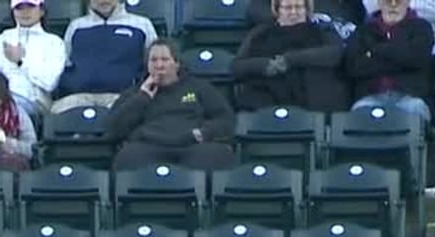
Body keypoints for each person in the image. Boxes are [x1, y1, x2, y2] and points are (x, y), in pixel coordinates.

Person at [106, 39, 236, 170]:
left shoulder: (199, 87)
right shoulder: (135, 92)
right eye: (154, 60)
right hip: (148, 145)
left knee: (218, 155)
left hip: (191, 145)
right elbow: (114, 128)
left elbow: (225, 119)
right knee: (126, 157)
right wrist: (142, 97)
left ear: (177, 63)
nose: (159, 65)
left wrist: (203, 132)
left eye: (165, 59)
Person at [231, 0, 349, 113]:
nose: (294, 12)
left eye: (299, 7)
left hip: (311, 97)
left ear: (307, 10)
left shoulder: (321, 31)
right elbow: (237, 66)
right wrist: (265, 65)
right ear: (278, 10)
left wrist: (291, 59)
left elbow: (335, 54)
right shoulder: (260, 34)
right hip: (266, 96)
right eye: (288, 7)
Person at [53, 0, 156, 113]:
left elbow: (154, 63)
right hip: (79, 97)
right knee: (56, 113)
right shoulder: (76, 26)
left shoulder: (142, 24)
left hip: (123, 96)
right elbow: (65, 62)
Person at [344, 0, 435, 124]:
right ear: (379, 2)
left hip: (409, 98)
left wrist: (376, 51)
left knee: (416, 110)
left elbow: (416, 59)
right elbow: (354, 67)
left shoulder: (422, 28)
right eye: (387, 0)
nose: (393, 4)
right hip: (370, 98)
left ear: (408, 2)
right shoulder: (363, 31)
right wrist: (400, 56)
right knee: (358, 115)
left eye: (399, 0)